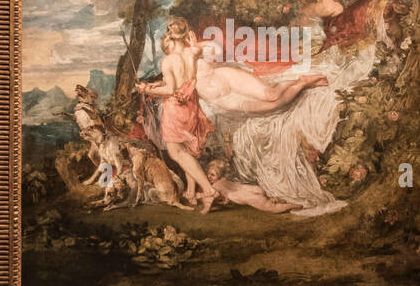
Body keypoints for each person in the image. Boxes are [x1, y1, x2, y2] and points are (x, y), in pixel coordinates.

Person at [136, 18, 218, 211]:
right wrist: (195, 43)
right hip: (191, 106)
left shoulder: (169, 60)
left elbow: (171, 90)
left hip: (175, 108)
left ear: (169, 39)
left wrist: (146, 89)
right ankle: (192, 191)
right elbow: (212, 48)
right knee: (187, 151)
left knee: (175, 152)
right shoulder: (193, 52)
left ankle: (208, 190)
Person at [187, 28, 327, 113]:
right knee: (274, 105)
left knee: (272, 95)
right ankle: (303, 84)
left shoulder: (195, 50)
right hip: (222, 98)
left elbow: (216, 50)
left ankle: (301, 80)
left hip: (226, 78)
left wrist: (197, 47)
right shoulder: (176, 65)